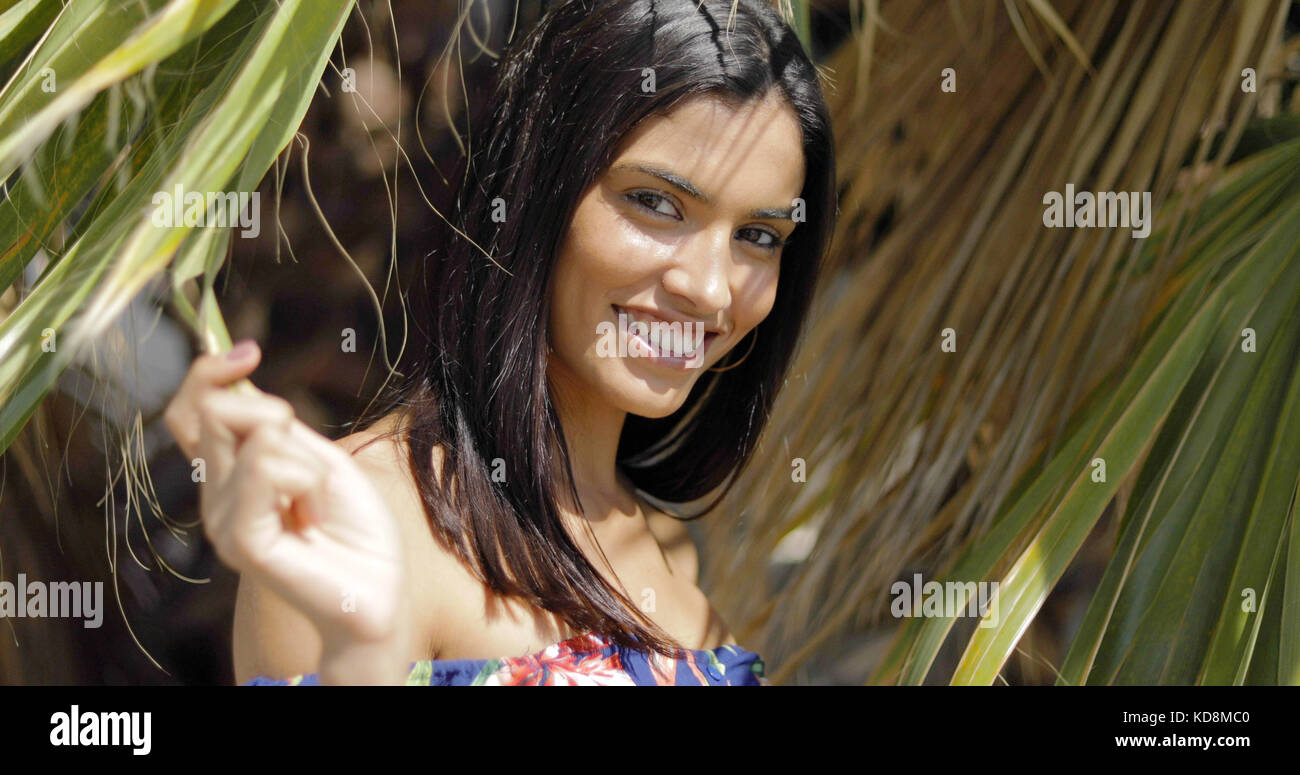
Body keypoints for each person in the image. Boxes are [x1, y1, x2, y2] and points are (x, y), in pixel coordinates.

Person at [163, 0, 836, 685]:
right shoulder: (357, 515)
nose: (713, 289)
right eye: (656, 203)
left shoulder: (668, 549)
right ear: (538, 187)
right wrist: (359, 645)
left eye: (758, 237)